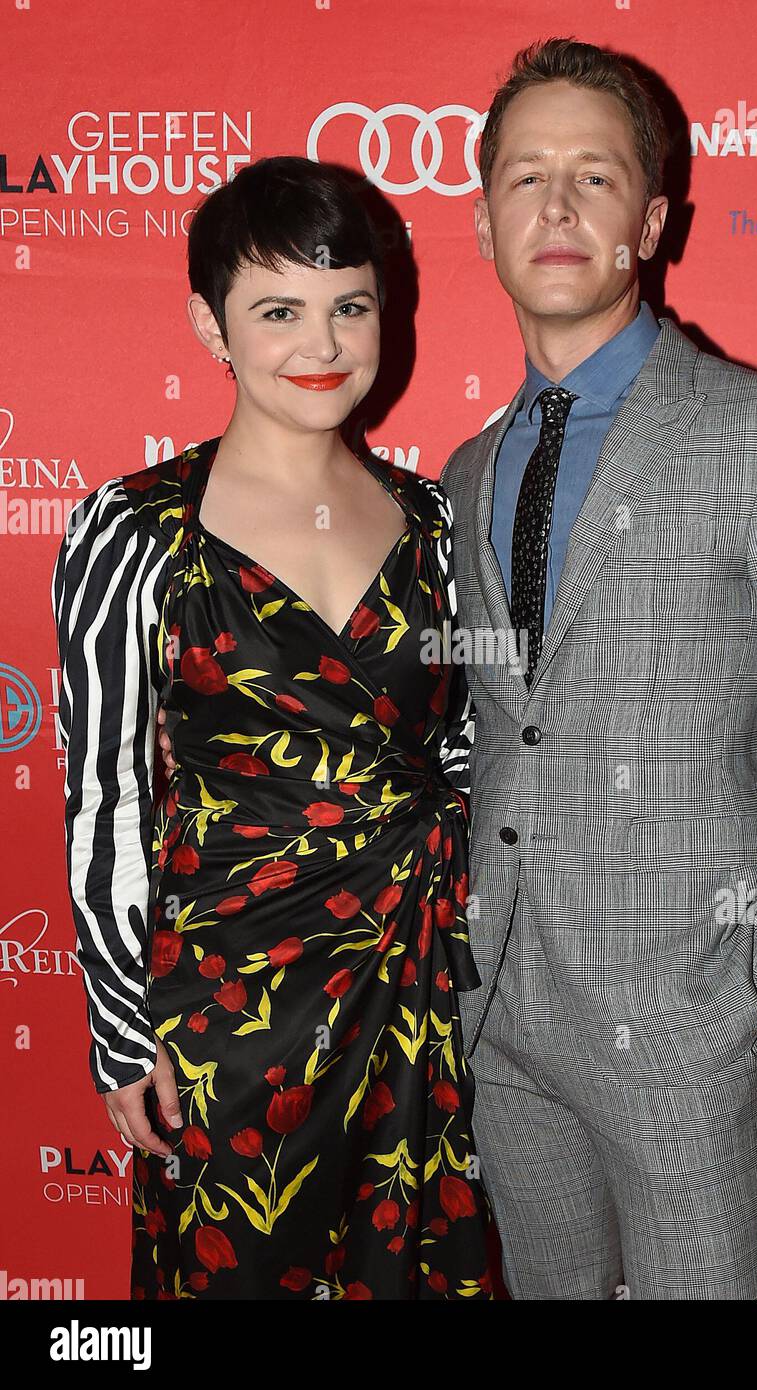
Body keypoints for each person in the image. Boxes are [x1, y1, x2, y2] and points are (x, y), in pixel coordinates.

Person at [433, 38, 757, 1298]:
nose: (558, 206)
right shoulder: (467, 472)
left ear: (649, 218)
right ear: (482, 225)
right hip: (500, 1014)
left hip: (687, 1018)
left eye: (594, 175)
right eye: (526, 178)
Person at [52, 155, 494, 1300]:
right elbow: (105, 801)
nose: (324, 346)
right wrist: (119, 1030)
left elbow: (465, 754)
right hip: (233, 1003)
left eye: (350, 306)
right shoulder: (135, 528)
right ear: (211, 326)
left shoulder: (439, 520)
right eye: (279, 311)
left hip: (427, 987)